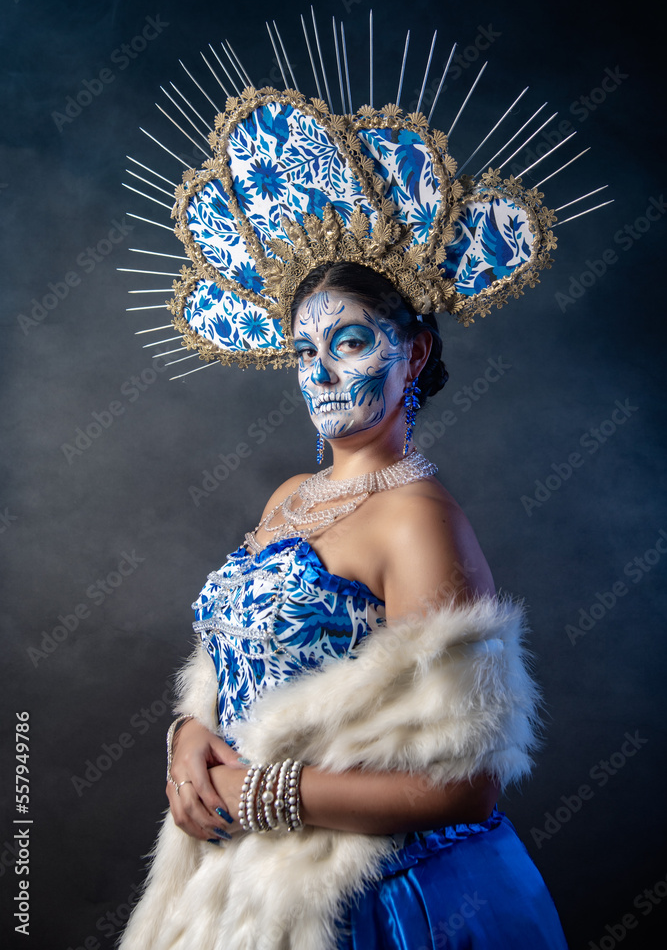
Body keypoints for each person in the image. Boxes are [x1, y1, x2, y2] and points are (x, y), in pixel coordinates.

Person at [118, 261, 569, 949]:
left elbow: (468, 784)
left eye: (350, 342)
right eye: (305, 351)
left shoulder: (419, 521)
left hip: (372, 897)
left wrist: (264, 794)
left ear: (413, 352)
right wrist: (186, 734)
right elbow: (239, 658)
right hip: (236, 884)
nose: (321, 372)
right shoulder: (294, 494)